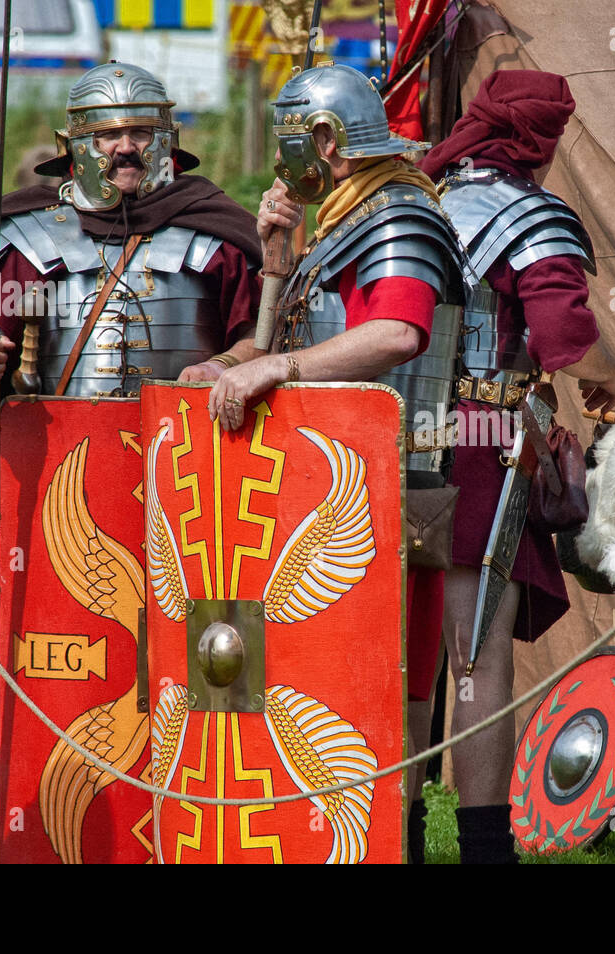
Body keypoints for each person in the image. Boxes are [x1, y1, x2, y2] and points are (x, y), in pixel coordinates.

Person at [0, 62, 263, 796]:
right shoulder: (29, 241)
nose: (126, 147)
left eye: (141, 130)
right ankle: (53, 804)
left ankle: (195, 806)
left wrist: (229, 364)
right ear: (71, 143)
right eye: (109, 133)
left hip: (190, 484)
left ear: (168, 136)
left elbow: (260, 342)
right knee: (61, 654)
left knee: (197, 655)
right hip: (61, 490)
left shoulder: (216, 234)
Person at [208, 64, 464, 795]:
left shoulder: (396, 216)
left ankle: (401, 842)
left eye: (291, 140)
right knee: (320, 683)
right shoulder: (346, 219)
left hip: (387, 489)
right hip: (330, 489)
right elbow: (272, 342)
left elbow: (396, 334)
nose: (279, 160)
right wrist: (275, 269)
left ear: (322, 138)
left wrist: (279, 370)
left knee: (382, 688)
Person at [407, 69, 615, 864]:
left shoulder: (410, 200)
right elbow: (565, 332)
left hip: (390, 437)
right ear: (541, 140)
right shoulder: (530, 217)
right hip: (479, 443)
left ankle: (393, 837)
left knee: (404, 647)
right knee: (476, 653)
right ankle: (484, 849)